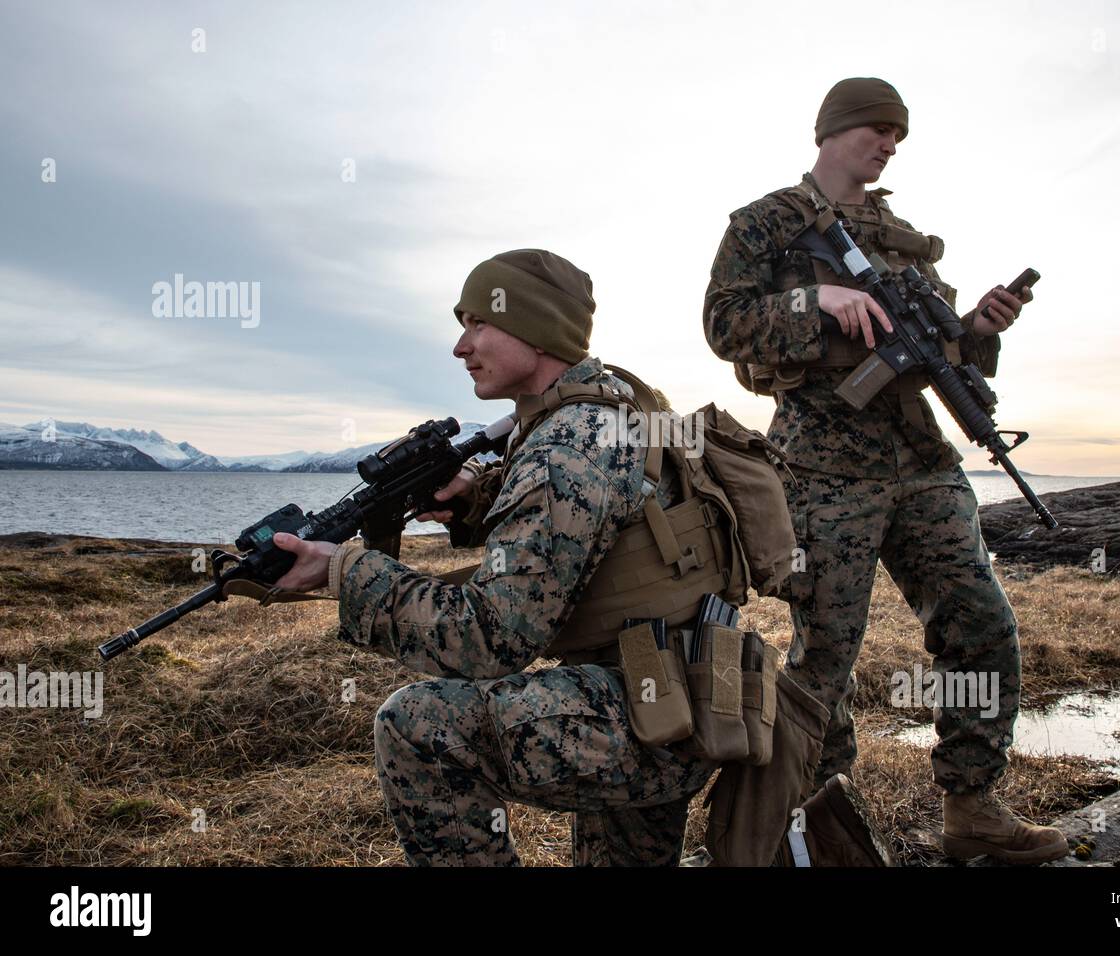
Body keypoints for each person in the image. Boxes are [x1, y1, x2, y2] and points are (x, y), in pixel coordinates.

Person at [268, 248, 885, 866]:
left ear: (534, 329)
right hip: (692, 689)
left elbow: (487, 641)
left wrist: (343, 571)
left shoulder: (565, 446)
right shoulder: (618, 404)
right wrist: (478, 498)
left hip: (647, 714)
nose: (461, 345)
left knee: (418, 727)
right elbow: (609, 515)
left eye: (478, 322)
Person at [702, 78, 1068, 865]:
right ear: (833, 130)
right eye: (877, 128)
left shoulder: (900, 236)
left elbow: (939, 345)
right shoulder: (764, 222)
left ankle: (973, 806)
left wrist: (976, 327)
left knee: (980, 623)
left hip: (921, 457)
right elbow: (723, 324)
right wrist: (817, 303)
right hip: (822, 462)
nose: (890, 144)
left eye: (897, 134)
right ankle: (809, 819)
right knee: (827, 652)